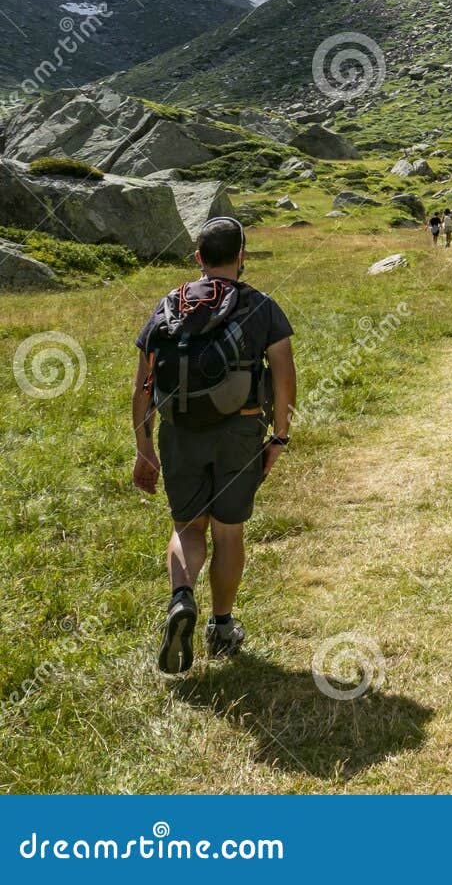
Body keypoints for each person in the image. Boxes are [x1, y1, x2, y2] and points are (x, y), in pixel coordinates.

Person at [131, 217, 296, 674]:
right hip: (240, 432)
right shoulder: (260, 305)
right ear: (242, 256)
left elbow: (144, 385)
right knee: (228, 531)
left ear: (198, 259)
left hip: (178, 431)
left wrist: (144, 445)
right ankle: (222, 627)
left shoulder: (169, 306)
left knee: (187, 527)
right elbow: (283, 376)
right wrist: (278, 435)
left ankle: (181, 597)